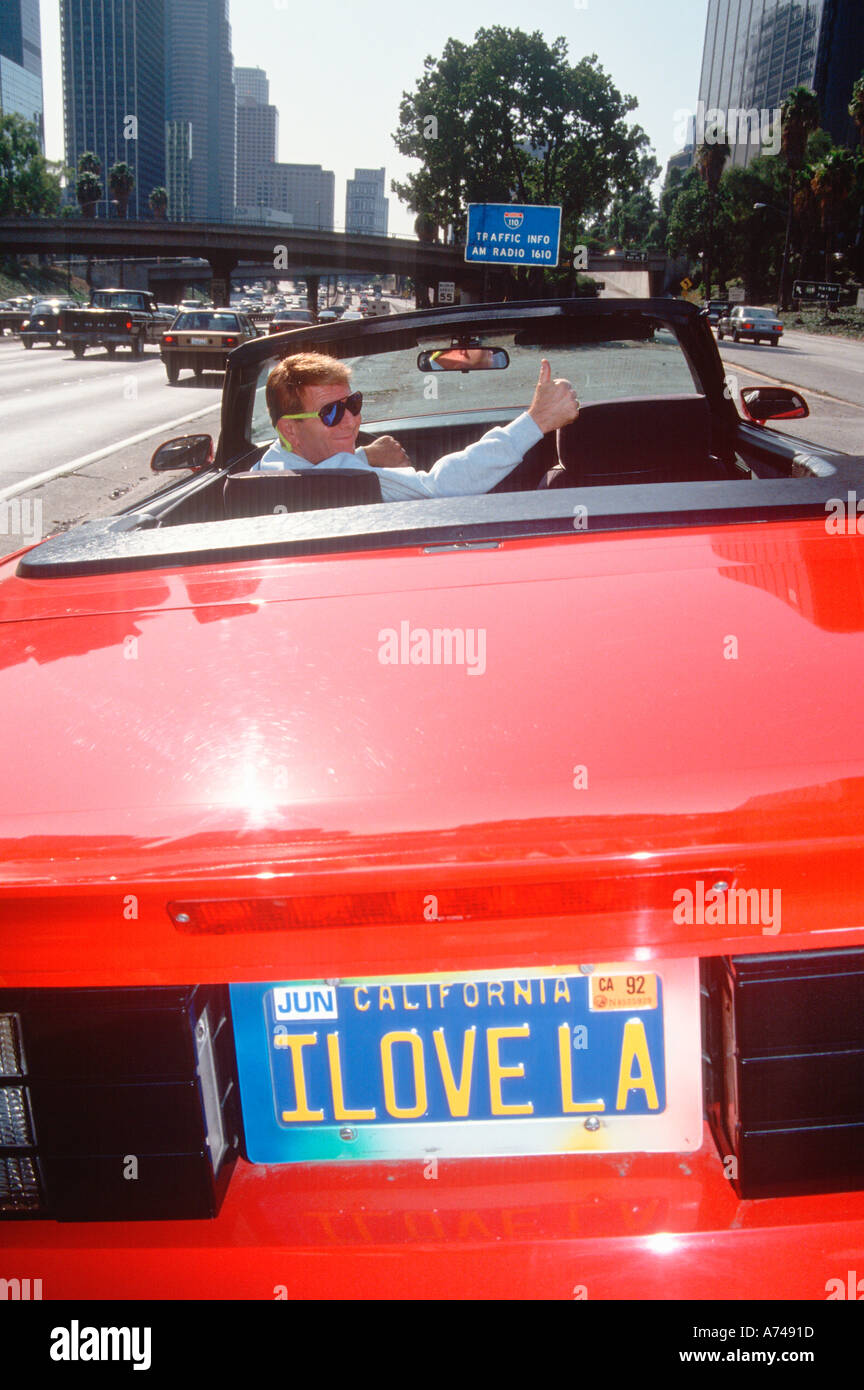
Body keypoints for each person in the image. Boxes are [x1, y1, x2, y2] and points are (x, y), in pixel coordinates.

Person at [253, 351, 579, 502]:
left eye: (353, 404)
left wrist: (364, 455)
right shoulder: (341, 480)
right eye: (330, 413)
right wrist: (537, 421)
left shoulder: (265, 469)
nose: (352, 420)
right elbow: (439, 487)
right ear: (291, 430)